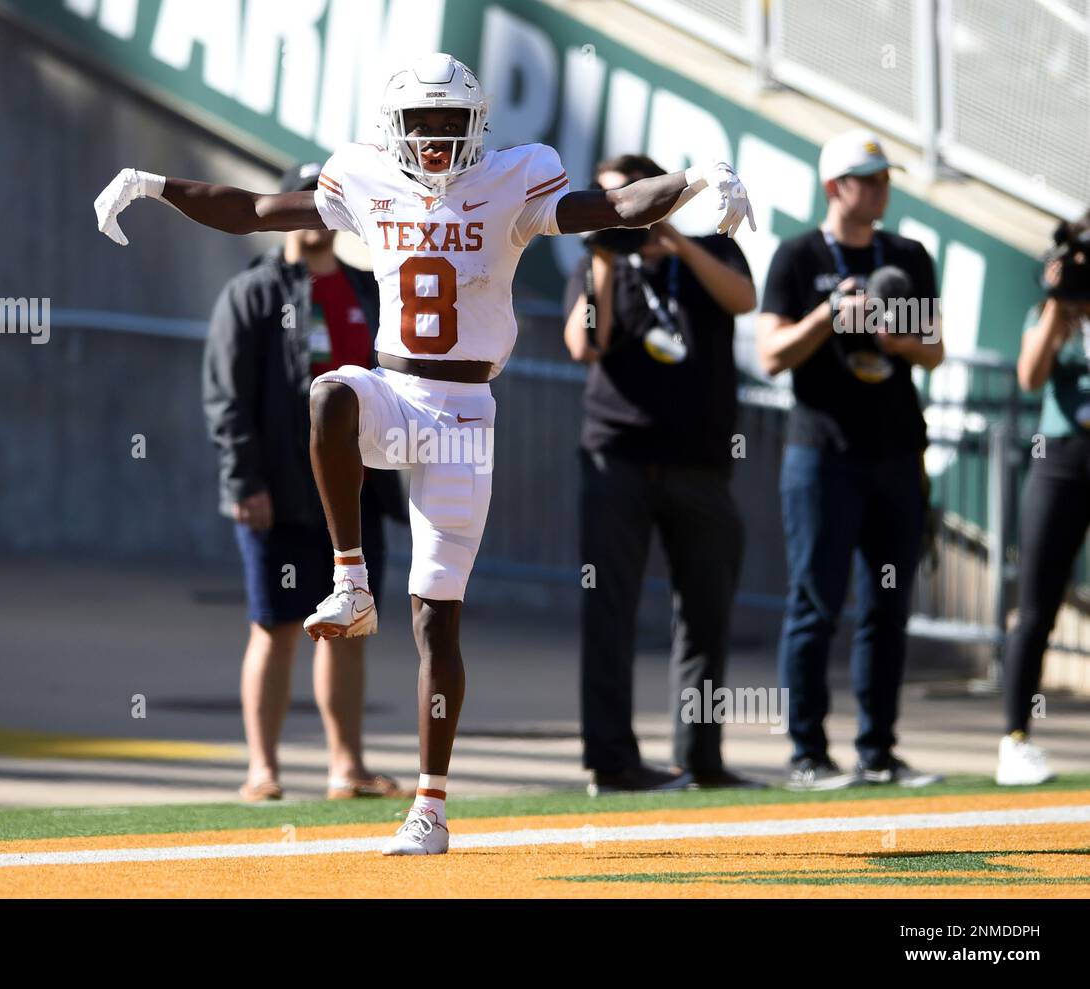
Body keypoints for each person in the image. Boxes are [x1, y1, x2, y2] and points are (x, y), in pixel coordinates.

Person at [95, 52, 755, 854]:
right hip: (397, 391)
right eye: (422, 124)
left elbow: (613, 204)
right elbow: (257, 208)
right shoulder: (367, 179)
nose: (436, 139)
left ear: (477, 126)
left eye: (450, 123)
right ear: (393, 129)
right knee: (332, 394)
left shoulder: (515, 180)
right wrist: (155, 184)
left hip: (465, 417)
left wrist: (694, 178)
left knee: (437, 625)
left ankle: (430, 807)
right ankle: (349, 579)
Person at [203, 161, 407, 802]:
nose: (318, 217)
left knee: (349, 623)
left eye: (328, 205)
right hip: (281, 490)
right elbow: (226, 397)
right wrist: (244, 482)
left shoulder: (366, 288)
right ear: (288, 209)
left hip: (355, 489)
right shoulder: (255, 292)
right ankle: (262, 768)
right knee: (276, 625)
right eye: (308, 203)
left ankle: (347, 768)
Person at [562, 153, 760, 794]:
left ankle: (700, 759)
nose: (619, 214)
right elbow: (585, 343)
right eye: (608, 201)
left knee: (705, 614)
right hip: (617, 461)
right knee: (609, 613)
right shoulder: (597, 263)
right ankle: (613, 763)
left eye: (629, 201)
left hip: (701, 465)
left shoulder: (705, 247)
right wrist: (605, 258)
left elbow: (743, 299)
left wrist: (674, 241)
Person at [756, 130, 944, 790]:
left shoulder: (908, 255)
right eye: (870, 178)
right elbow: (770, 353)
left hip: (895, 454)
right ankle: (807, 753)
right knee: (814, 603)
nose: (884, 188)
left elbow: (935, 348)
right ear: (837, 186)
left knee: (886, 608)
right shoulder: (798, 255)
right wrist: (830, 315)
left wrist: (893, 331)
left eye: (886, 177)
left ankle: (879, 751)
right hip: (822, 457)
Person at [996, 210, 1090, 785]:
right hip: (1061, 461)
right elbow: (1030, 376)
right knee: (1036, 606)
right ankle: (1015, 737)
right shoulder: (1053, 314)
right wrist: (1061, 299)